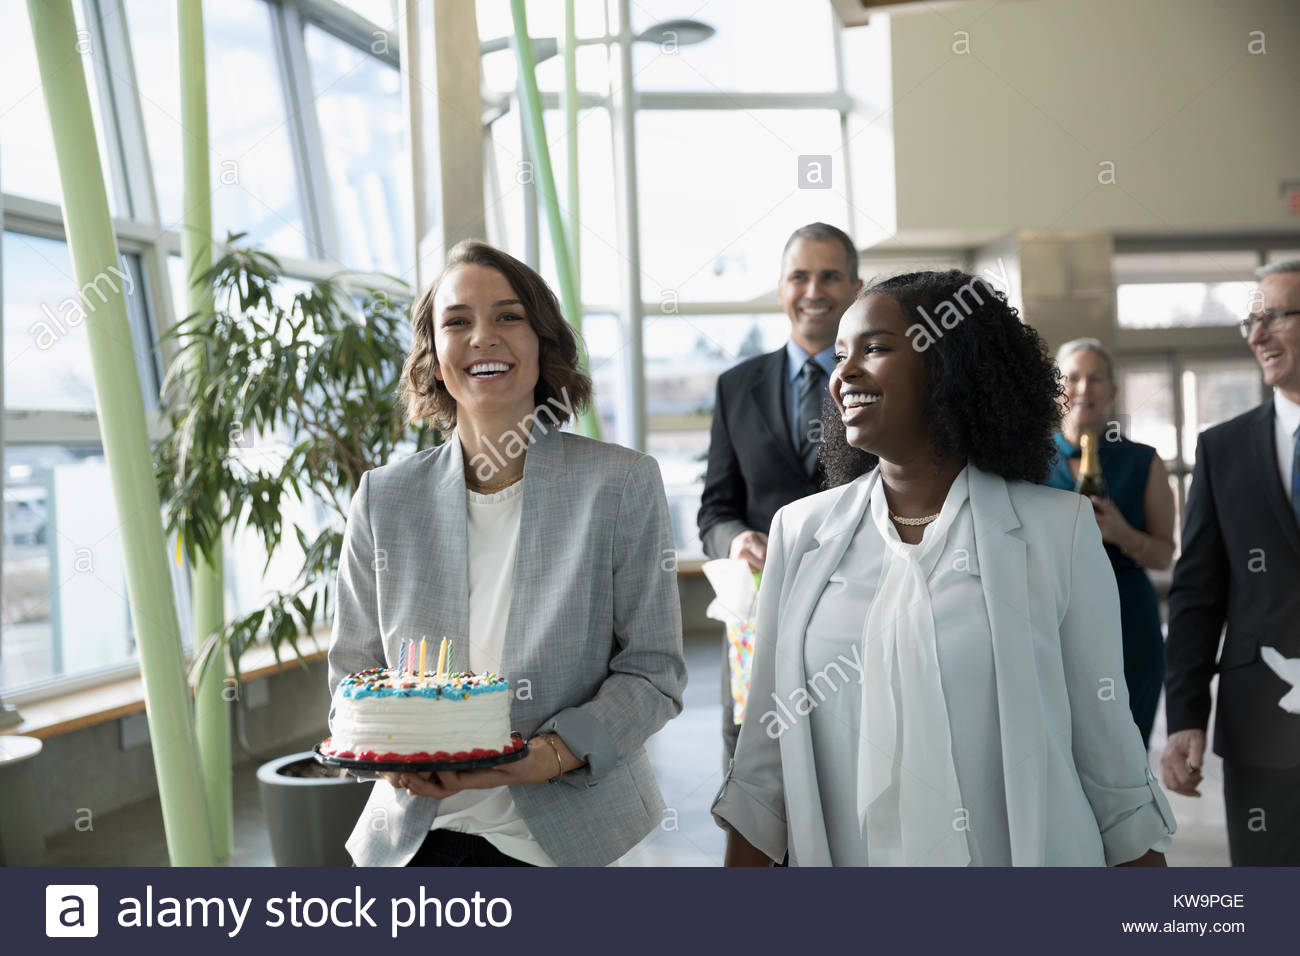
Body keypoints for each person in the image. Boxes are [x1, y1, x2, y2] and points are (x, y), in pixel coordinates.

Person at [712, 270, 1175, 866]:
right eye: (841, 354)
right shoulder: (800, 533)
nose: (843, 373)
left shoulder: (1056, 530)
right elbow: (762, 770)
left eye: (875, 349)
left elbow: (1108, 758)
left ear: (950, 366)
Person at [327, 240, 687, 867]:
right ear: (433, 358)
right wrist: (397, 758)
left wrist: (544, 757)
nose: (482, 337)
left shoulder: (620, 484)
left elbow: (654, 674)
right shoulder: (384, 498)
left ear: (542, 343)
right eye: (457, 321)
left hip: (566, 833)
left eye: (508, 316)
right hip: (412, 833)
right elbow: (351, 676)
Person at [697, 222, 863, 762]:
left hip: (856, 618)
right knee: (752, 767)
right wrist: (735, 539)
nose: (814, 291)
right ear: (781, 290)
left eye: (830, 277)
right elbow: (715, 508)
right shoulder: (735, 387)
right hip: (757, 618)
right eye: (800, 276)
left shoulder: (880, 382)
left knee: (849, 767)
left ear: (856, 289)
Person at [1162, 258, 1300, 866]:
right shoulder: (1223, 449)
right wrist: (1186, 712)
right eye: (1250, 322)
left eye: (1273, 317)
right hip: (1261, 718)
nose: (1257, 335)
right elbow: (1197, 592)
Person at [1044, 339, 1176, 747]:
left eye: (1095, 378)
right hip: (1052, 615)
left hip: (1129, 619)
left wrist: (1123, 534)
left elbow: (1163, 555)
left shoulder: (1144, 461)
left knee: (1129, 747)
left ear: (1113, 392)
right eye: (1073, 378)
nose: (1083, 388)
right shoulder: (1027, 459)